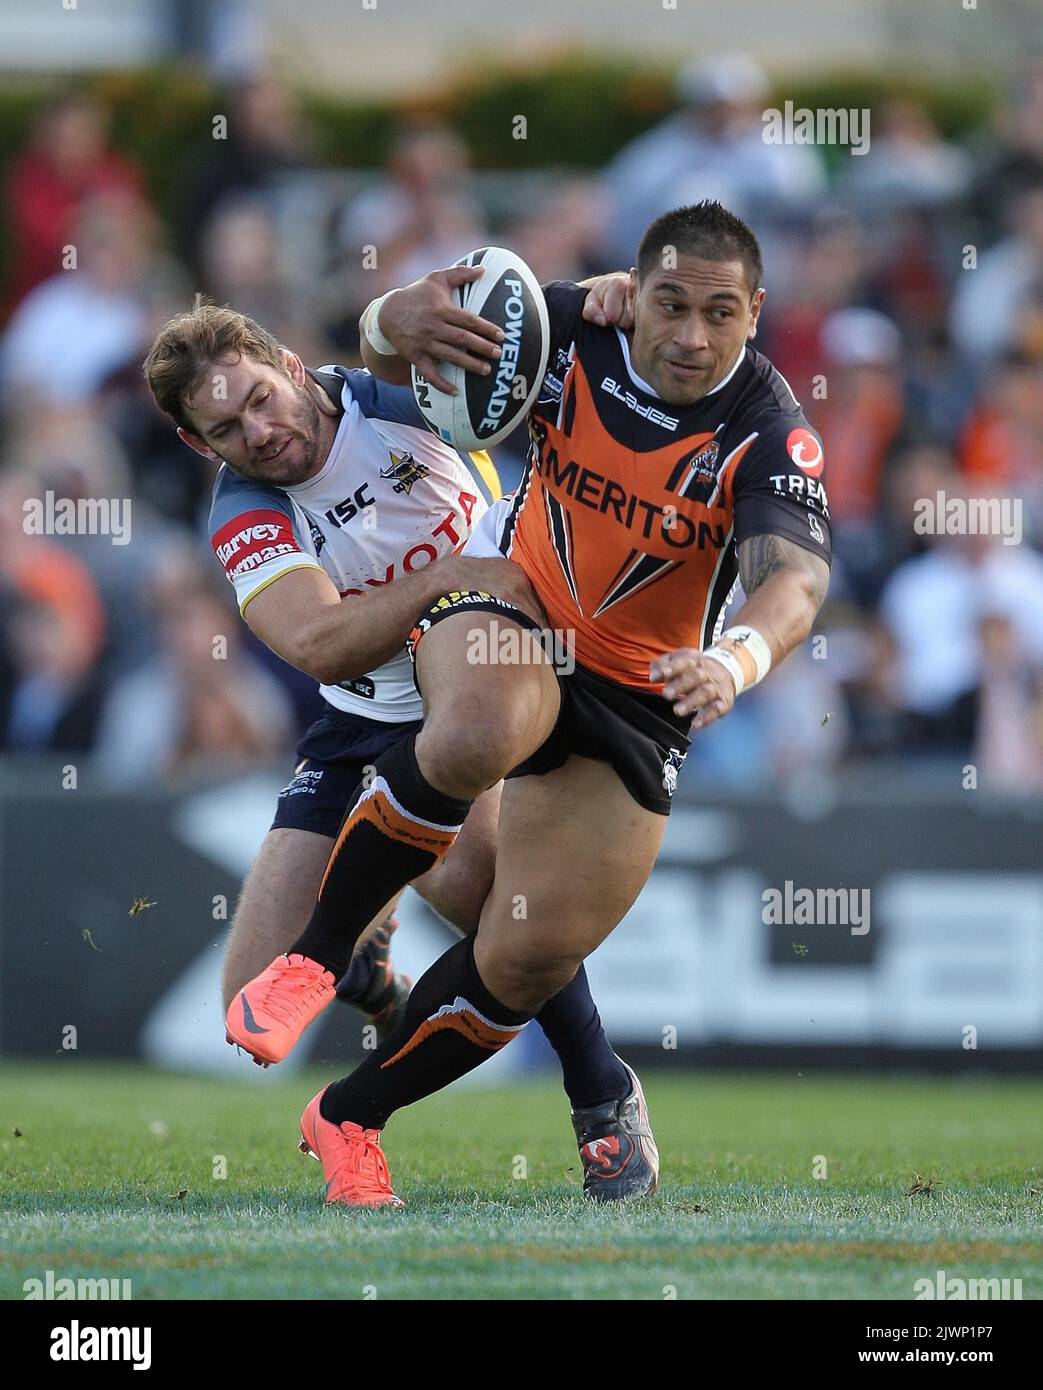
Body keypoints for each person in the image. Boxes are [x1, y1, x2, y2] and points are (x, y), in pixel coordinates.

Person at [233, 200, 833, 1207]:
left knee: (527, 948)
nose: (689, 335)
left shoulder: (767, 429)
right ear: (634, 292)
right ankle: (314, 958)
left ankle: (349, 1115)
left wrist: (733, 660)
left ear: (754, 313)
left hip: (643, 696)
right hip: (513, 608)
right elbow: (388, 344)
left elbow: (793, 581)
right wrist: (394, 312)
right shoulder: (566, 329)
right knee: (478, 726)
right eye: (670, 304)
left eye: (718, 313)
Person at [143, 281, 662, 1201]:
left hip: (476, 679)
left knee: (501, 913)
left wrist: (596, 297)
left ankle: (602, 1093)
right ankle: (372, 972)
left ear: (291, 368)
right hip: (361, 718)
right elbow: (316, 641)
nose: (257, 433)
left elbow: (460, 323)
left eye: (259, 398)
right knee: (245, 1008)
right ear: (198, 444)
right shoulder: (241, 513)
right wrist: (447, 574)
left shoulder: (385, 399)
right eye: (225, 430)